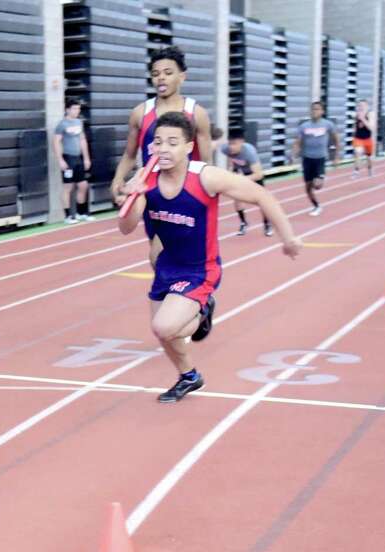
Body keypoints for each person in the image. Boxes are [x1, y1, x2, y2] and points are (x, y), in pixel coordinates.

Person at [118, 112, 301, 402]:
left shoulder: (205, 177)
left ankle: (202, 309)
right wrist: (133, 197)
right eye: (158, 142)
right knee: (166, 334)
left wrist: (288, 237)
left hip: (199, 269)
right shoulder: (146, 179)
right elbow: (126, 228)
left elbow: (261, 195)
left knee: (164, 325)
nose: (163, 149)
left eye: (172, 142)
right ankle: (189, 376)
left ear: (188, 147)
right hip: (167, 266)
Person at [111, 45, 214, 205]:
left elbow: (206, 161)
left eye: (168, 73)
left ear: (182, 76)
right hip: (151, 192)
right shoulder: (139, 113)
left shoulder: (197, 114)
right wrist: (118, 180)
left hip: (187, 193)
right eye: (155, 74)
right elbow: (129, 155)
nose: (161, 78)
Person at [217, 127, 271, 236]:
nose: (231, 147)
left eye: (234, 144)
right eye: (230, 144)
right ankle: (243, 222)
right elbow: (230, 159)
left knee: (263, 202)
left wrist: (241, 179)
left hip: (253, 175)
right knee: (237, 198)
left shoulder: (249, 152)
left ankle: (267, 224)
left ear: (242, 142)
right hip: (241, 174)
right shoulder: (226, 149)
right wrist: (231, 171)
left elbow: (258, 174)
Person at [290, 101, 340, 217]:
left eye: (317, 109)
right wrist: (293, 154)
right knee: (308, 188)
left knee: (317, 185)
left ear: (322, 111)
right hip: (307, 159)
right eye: (313, 109)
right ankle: (316, 205)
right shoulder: (304, 126)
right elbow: (297, 141)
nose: (314, 111)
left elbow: (336, 139)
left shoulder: (328, 124)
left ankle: (319, 178)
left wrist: (336, 156)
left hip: (320, 158)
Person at [54, 98, 92, 223]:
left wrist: (86, 158)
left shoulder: (78, 122)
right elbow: (56, 142)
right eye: (75, 108)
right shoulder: (62, 124)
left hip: (78, 159)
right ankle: (68, 216)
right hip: (67, 158)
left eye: (78, 109)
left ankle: (81, 213)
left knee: (83, 185)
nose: (77, 111)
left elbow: (82, 140)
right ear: (67, 109)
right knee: (68, 187)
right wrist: (60, 159)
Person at [352, 99, 376, 178]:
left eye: (363, 105)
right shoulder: (356, 114)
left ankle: (370, 169)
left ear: (367, 106)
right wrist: (354, 133)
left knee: (369, 157)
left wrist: (363, 119)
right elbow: (355, 126)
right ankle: (356, 171)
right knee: (358, 153)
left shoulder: (370, 114)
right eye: (359, 105)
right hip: (358, 138)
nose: (360, 107)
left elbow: (371, 128)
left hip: (367, 139)